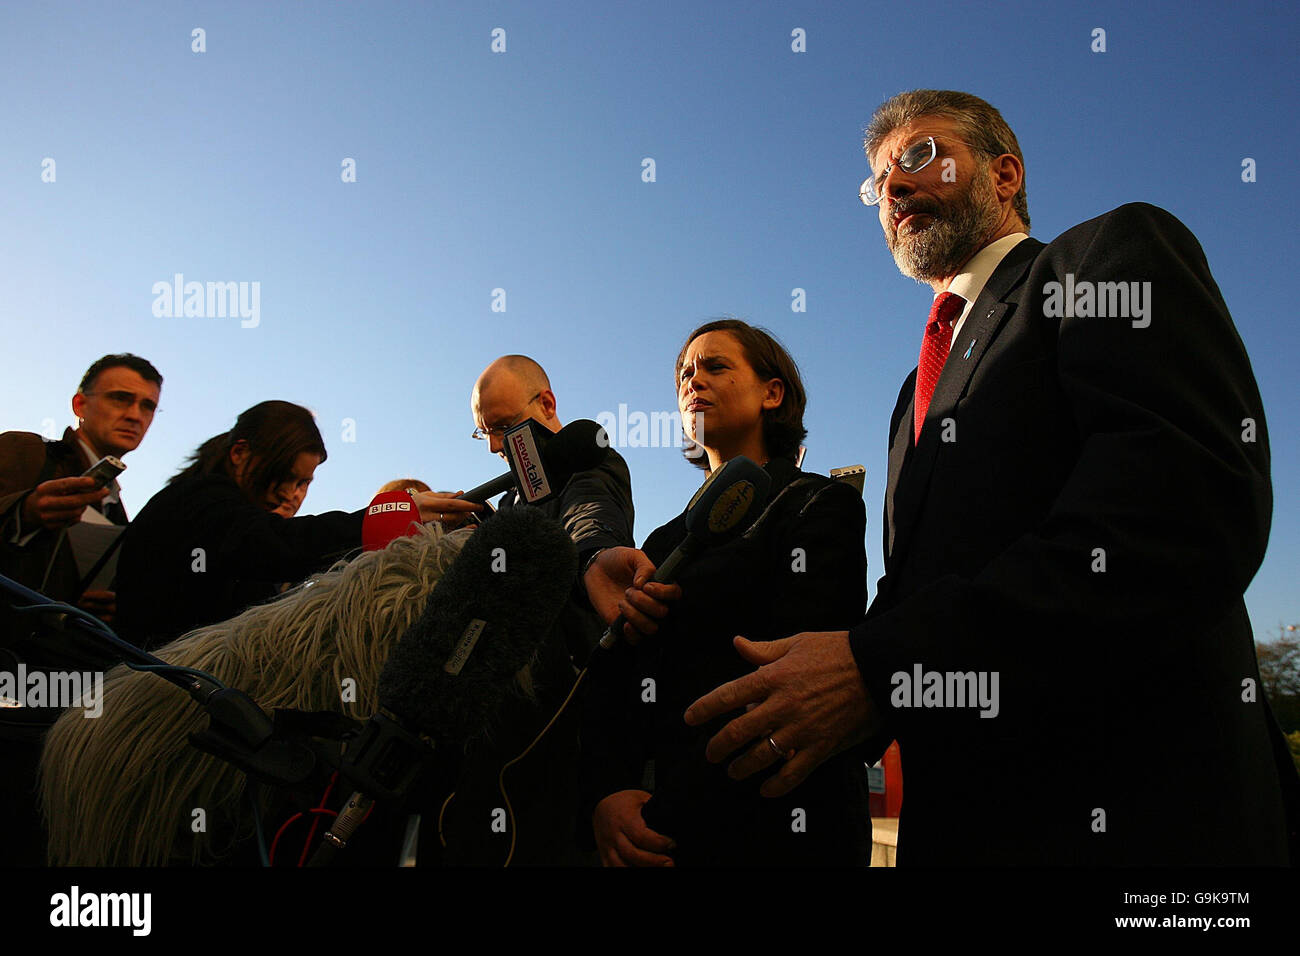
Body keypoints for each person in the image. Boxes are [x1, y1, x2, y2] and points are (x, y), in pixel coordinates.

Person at [682, 90, 1298, 865]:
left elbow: (1183, 515)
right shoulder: (914, 392)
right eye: (878, 182)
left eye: (917, 157)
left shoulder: (1105, 256)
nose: (894, 188)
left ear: (1005, 174)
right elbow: (920, 591)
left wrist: (883, 666)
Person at [580, 320, 871, 867]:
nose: (694, 381)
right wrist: (607, 795)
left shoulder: (817, 504)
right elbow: (614, 682)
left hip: (782, 832)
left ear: (772, 392)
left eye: (716, 366)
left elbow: (797, 678)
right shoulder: (661, 541)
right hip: (657, 837)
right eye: (686, 373)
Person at [432, 355, 636, 866]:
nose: (498, 447)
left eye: (502, 428)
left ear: (546, 403)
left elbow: (589, 513)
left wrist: (594, 556)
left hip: (558, 733)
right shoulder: (514, 499)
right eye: (485, 434)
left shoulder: (586, 463)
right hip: (492, 734)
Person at [113, 400, 450, 649]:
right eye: (284, 477)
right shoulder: (202, 499)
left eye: (304, 483)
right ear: (239, 452)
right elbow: (278, 545)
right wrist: (389, 516)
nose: (290, 494)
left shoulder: (215, 507)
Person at [0, 353, 163, 630]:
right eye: (120, 398)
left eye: (147, 406)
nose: (135, 415)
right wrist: (23, 512)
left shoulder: (118, 511)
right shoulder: (24, 450)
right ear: (80, 404)